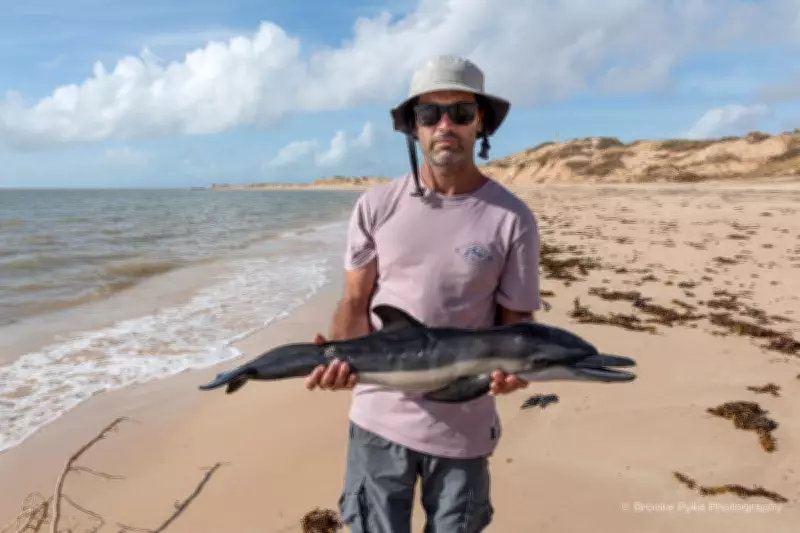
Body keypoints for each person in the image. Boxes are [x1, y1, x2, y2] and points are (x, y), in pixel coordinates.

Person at [305, 55, 542, 533]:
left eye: (460, 111)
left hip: (464, 425)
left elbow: (516, 325)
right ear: (413, 128)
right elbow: (355, 301)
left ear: (481, 123)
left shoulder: (511, 218)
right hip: (378, 418)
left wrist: (517, 372)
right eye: (429, 114)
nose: (444, 125)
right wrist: (338, 357)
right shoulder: (375, 206)